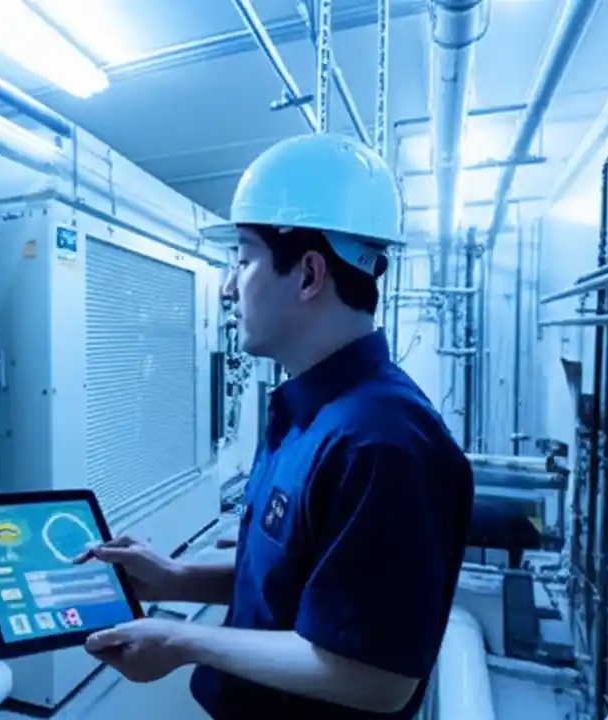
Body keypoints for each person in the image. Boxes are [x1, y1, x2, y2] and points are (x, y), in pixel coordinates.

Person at [75, 133, 475, 718]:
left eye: (243, 260)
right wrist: (176, 578)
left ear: (309, 274)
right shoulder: (306, 415)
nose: (228, 287)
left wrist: (183, 641)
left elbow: (379, 679)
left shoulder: (384, 444)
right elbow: (294, 581)